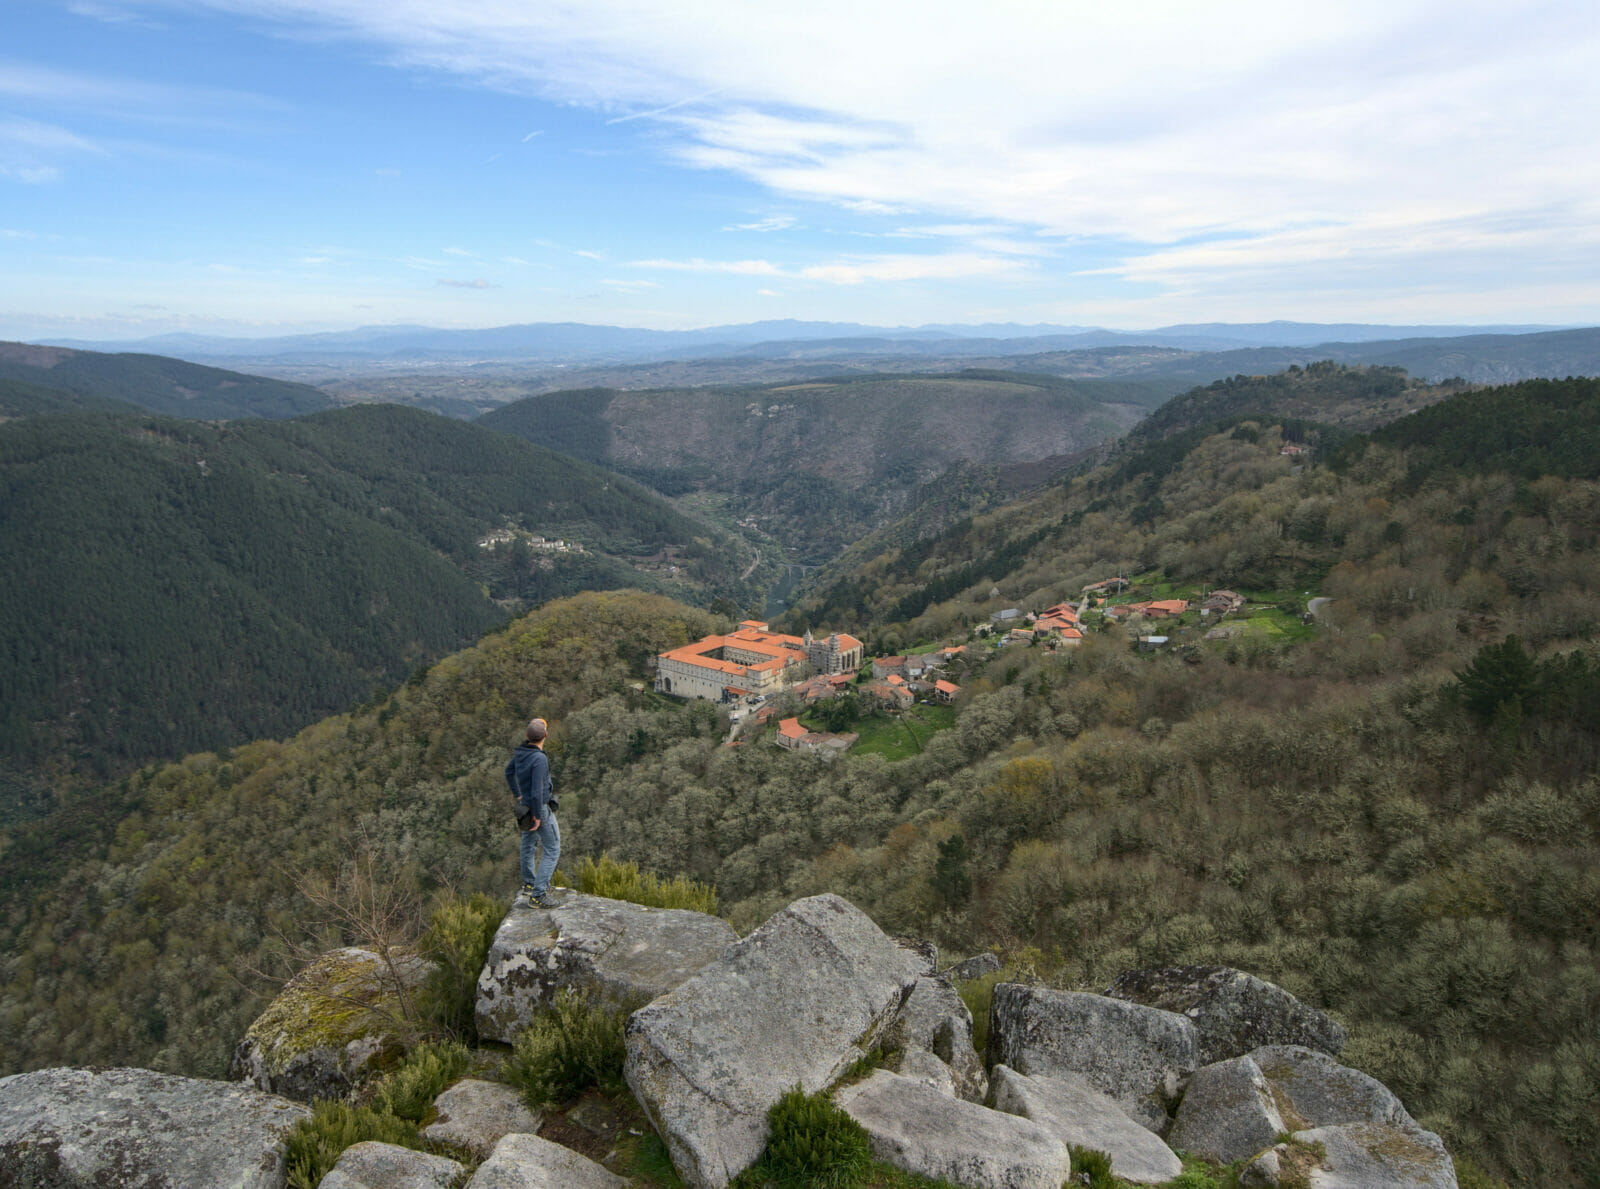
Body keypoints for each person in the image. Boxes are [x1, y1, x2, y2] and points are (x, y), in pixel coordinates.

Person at [505, 717, 562, 908]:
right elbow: (538, 791)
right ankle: (538, 895)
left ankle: (530, 883)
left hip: (525, 808)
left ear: (527, 736)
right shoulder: (539, 759)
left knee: (528, 845)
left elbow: (508, 772)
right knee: (552, 849)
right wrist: (538, 816)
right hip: (538, 809)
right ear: (545, 735)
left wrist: (519, 795)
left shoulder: (521, 752)